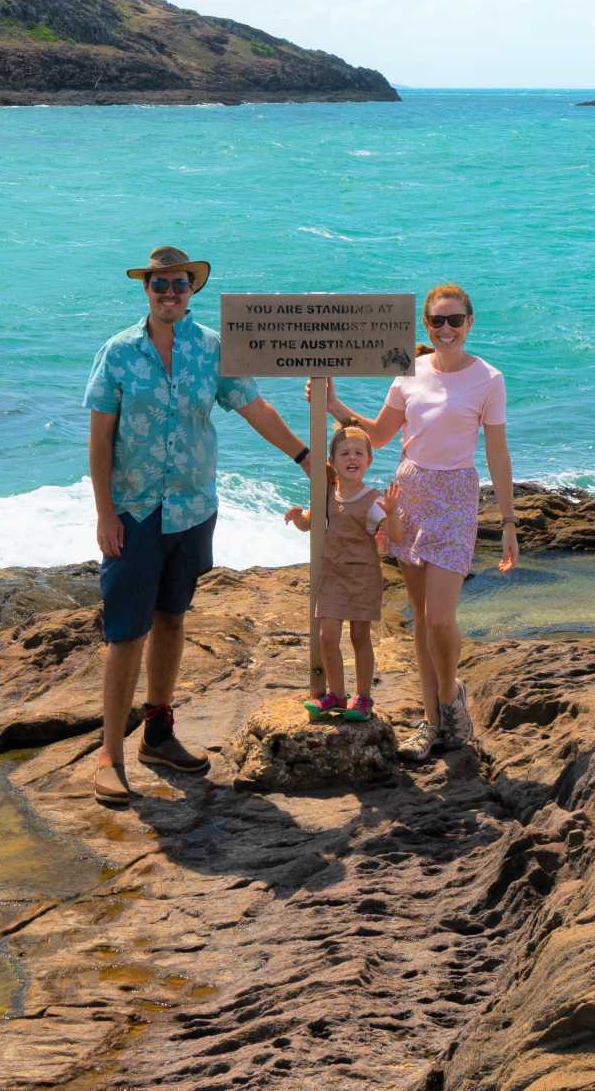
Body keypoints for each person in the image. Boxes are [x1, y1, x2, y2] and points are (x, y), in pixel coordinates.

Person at [85, 246, 311, 805]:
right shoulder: (117, 353)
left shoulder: (211, 349)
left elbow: (254, 407)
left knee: (172, 620)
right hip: (134, 512)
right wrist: (104, 513)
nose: (169, 293)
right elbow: (99, 438)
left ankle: (158, 736)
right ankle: (111, 756)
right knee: (124, 635)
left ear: (193, 289)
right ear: (146, 290)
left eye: (179, 284)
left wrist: (306, 458)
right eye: (159, 284)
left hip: (191, 509)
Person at [314, 284, 518, 761]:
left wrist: (509, 521)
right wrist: (334, 407)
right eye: (437, 321)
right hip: (410, 494)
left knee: (440, 618)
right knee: (421, 622)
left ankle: (450, 697)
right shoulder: (408, 372)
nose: (446, 329)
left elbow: (497, 452)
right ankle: (431, 723)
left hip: (456, 497)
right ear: (425, 325)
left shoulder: (489, 379)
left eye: (455, 320)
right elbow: (380, 436)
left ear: (470, 323)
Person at [283, 424, 404, 723]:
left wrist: (392, 511)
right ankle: (335, 695)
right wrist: (298, 517)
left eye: (359, 453)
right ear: (333, 461)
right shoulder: (327, 494)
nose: (352, 458)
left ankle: (362, 698)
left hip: (363, 577)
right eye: (345, 453)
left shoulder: (373, 500)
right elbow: (309, 524)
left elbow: (397, 536)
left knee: (360, 636)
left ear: (369, 461)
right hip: (333, 575)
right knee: (327, 636)